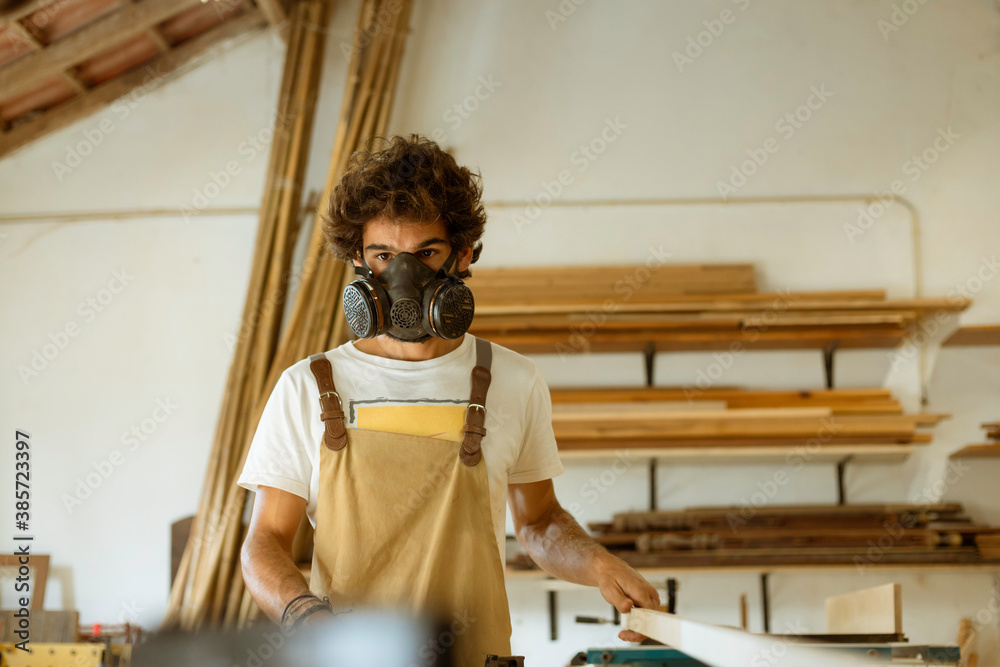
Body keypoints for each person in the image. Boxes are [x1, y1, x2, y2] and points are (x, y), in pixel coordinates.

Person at [237, 134, 659, 663]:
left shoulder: (511, 379)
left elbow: (539, 522)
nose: (403, 277)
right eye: (384, 255)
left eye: (425, 253)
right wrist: (307, 618)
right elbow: (264, 543)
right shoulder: (309, 386)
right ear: (360, 264)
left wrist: (600, 564)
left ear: (461, 254)